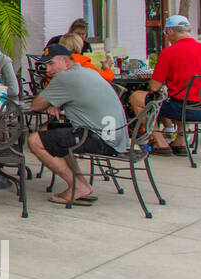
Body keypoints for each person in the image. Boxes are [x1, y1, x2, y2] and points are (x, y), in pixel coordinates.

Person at [28, 43, 127, 204]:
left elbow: (36, 105)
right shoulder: (86, 71)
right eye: (46, 65)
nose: (48, 70)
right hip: (115, 136)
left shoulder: (65, 77)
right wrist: (55, 102)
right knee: (47, 130)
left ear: (66, 62)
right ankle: (82, 184)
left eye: (51, 63)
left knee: (34, 140)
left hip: (101, 139)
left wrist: (52, 102)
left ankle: (77, 186)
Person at [129, 15, 201, 154]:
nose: (166, 36)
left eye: (166, 33)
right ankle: (181, 141)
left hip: (187, 109)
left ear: (171, 31)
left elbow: (154, 87)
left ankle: (161, 143)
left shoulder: (169, 52)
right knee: (180, 95)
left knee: (137, 97)